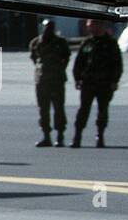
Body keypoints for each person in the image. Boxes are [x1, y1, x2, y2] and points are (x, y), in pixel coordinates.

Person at [71, 19, 122, 148]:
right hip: (88, 83)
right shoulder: (87, 43)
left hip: (104, 83)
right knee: (83, 110)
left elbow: (117, 64)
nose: (89, 28)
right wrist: (77, 79)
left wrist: (114, 81)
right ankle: (77, 136)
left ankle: (100, 136)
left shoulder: (110, 44)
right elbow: (79, 63)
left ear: (100, 25)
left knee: (102, 110)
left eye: (91, 25)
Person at [28, 20, 71, 147]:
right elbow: (34, 58)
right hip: (41, 81)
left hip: (57, 80)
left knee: (59, 108)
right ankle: (46, 136)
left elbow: (66, 57)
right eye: (46, 27)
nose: (48, 29)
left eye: (50, 27)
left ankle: (60, 136)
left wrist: (58, 68)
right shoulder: (36, 42)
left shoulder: (60, 42)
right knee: (43, 109)